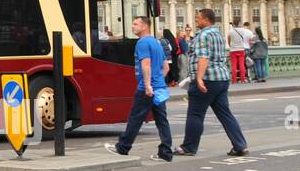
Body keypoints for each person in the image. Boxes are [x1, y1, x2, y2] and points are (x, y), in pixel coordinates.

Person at [175, 9, 249, 157]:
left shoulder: (203, 35)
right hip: (221, 78)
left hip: (207, 78)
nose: (197, 20)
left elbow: (204, 57)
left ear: (206, 20)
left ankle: (188, 147)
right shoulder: (218, 34)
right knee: (225, 114)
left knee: (195, 114)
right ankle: (240, 145)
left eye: (199, 18)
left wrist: (199, 78)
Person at [105, 16, 172, 161]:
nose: (133, 27)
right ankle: (166, 152)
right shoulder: (156, 42)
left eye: (136, 24)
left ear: (145, 26)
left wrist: (148, 85)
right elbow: (166, 67)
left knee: (135, 118)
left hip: (146, 88)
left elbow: (145, 65)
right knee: (162, 120)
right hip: (159, 87)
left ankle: (122, 147)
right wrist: (158, 80)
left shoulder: (142, 43)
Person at [226, 20, 250, 84]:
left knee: (234, 66)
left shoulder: (230, 31)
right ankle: (243, 79)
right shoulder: (243, 30)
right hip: (241, 49)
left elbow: (228, 40)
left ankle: (234, 80)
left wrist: (231, 46)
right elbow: (247, 38)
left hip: (233, 50)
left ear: (233, 24)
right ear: (239, 23)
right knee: (242, 65)